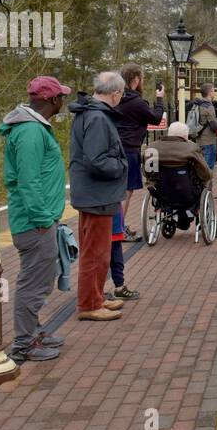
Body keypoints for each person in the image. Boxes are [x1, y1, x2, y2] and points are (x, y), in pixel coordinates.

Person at [0, 75, 72, 364]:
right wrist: (43, 218)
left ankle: (34, 332)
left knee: (39, 281)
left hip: (39, 220)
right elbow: (28, 180)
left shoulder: (33, 128)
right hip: (35, 223)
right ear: (51, 99)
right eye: (61, 97)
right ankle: (24, 343)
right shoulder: (31, 132)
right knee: (33, 285)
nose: (63, 101)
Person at [70, 72, 129, 321]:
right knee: (96, 252)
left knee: (97, 250)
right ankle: (89, 303)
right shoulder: (98, 118)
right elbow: (96, 159)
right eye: (121, 94)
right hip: (97, 195)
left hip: (93, 193)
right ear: (114, 94)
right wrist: (121, 165)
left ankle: (96, 296)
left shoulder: (88, 114)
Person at [115, 63, 164, 241]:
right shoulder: (136, 102)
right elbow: (156, 119)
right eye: (141, 79)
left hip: (115, 148)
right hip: (130, 150)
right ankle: (118, 229)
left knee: (117, 191)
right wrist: (159, 99)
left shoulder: (116, 98)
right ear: (135, 79)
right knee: (126, 192)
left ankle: (117, 226)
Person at [107, 210, 138, 302]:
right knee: (116, 257)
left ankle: (97, 290)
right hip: (111, 222)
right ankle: (119, 287)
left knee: (112, 257)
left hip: (110, 221)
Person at [189, 83, 217, 170]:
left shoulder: (197, 103)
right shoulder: (209, 106)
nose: (214, 93)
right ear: (210, 92)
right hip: (209, 140)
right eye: (214, 91)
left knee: (201, 166)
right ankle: (207, 184)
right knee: (208, 169)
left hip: (199, 139)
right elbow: (214, 126)